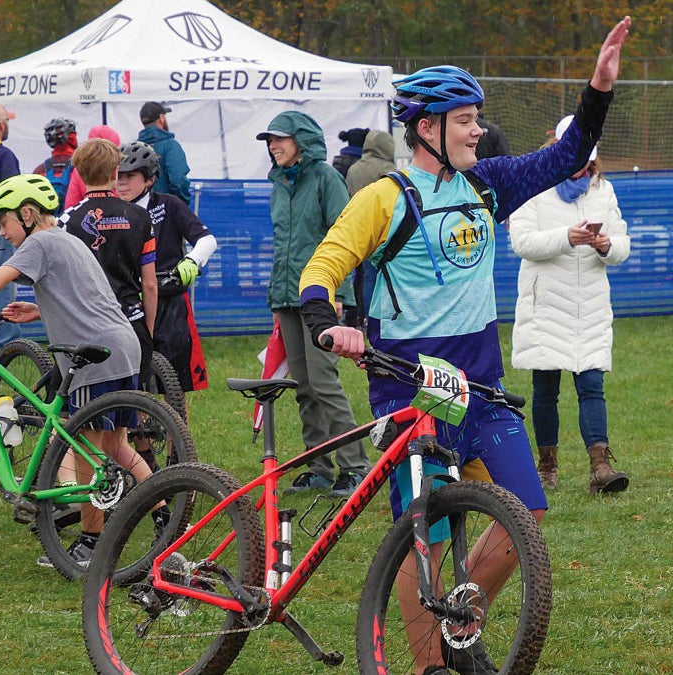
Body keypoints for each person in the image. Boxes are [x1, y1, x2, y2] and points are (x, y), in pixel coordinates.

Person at [299, 17, 631, 673]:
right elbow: (324, 265)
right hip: (410, 390)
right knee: (422, 534)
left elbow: (564, 157)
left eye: (478, 118)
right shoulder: (385, 197)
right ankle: (428, 666)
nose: (478, 129)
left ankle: (459, 623)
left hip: (478, 388)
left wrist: (597, 90)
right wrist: (325, 320)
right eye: (465, 120)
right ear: (427, 129)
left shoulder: (486, 184)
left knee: (524, 515)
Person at [0, 174, 152, 567]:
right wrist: (38, 309)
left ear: (27, 214)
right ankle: (167, 514)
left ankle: (91, 541)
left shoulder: (39, 241)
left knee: (83, 445)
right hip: (123, 345)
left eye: (3, 222)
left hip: (94, 357)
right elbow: (83, 296)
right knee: (117, 445)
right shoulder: (69, 239)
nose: (2, 232)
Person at [508, 115, 631, 494]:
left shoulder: (603, 190)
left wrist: (607, 245)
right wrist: (568, 237)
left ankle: (601, 467)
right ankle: (547, 469)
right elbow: (523, 242)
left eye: (587, 160)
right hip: (546, 304)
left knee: (592, 384)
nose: (582, 167)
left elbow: (623, 242)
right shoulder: (530, 185)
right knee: (545, 389)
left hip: (590, 304)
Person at [256, 110, 371, 497]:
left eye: (280, 139)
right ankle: (318, 465)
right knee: (303, 386)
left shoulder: (326, 179)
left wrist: (338, 295)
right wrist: (277, 298)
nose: (273, 146)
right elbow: (282, 246)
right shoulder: (278, 184)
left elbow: (346, 238)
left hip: (321, 297)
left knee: (324, 383)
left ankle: (354, 467)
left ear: (301, 141)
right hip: (287, 297)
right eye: (270, 141)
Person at [116, 141, 216, 393]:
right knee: (134, 378)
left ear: (149, 180)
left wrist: (192, 260)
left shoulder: (168, 204)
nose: (122, 183)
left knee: (176, 382)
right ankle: (139, 432)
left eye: (130, 176)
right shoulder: (112, 212)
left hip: (170, 300)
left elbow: (206, 239)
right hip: (131, 302)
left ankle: (177, 431)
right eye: (118, 176)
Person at [59, 138, 158, 391]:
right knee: (129, 406)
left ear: (79, 174)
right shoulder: (140, 216)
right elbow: (149, 284)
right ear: (116, 171)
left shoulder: (68, 220)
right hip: (131, 320)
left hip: (88, 324)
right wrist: (147, 330)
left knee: (88, 412)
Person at [344, 129, 399, 325]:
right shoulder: (389, 169)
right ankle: (390, 319)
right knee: (390, 277)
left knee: (367, 277)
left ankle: (369, 318)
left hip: (361, 231)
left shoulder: (354, 168)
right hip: (387, 232)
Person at [0, 104, 22, 349]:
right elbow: (13, 196)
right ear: (2, 126)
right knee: (2, 294)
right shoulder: (4, 156)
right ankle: (7, 347)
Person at [137, 101, 192, 205]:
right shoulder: (171, 146)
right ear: (161, 118)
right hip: (167, 211)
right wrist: (183, 204)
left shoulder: (136, 147)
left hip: (140, 210)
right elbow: (178, 180)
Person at [64, 125, 122, 210]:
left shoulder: (80, 167)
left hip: (86, 217)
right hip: (119, 216)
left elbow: (71, 203)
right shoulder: (119, 166)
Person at [33, 118, 78, 206]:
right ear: (72, 137)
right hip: (73, 217)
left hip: (47, 218)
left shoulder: (39, 170)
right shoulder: (81, 168)